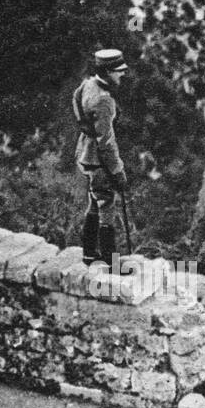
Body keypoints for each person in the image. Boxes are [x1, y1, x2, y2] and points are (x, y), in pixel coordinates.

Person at [73, 49, 130, 267]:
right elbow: (106, 143)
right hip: (99, 160)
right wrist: (117, 171)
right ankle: (112, 262)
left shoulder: (89, 84)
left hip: (85, 153)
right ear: (106, 72)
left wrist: (82, 123)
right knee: (106, 205)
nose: (121, 75)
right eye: (117, 72)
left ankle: (88, 253)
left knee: (94, 202)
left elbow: (76, 96)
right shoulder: (104, 101)